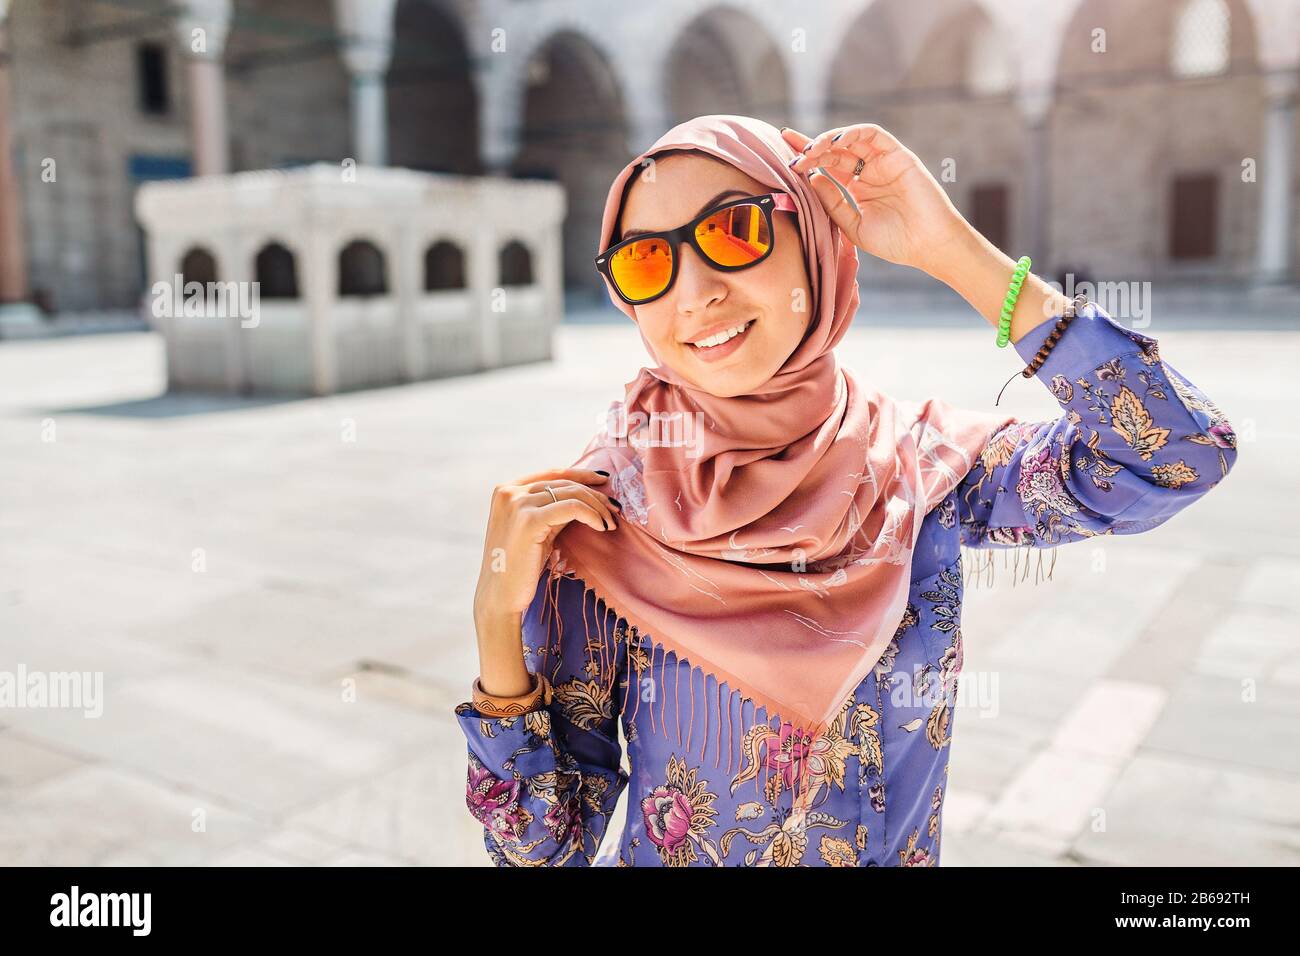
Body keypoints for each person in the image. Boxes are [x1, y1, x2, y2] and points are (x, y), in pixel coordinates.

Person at [455, 115, 1239, 867]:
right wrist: (497, 627)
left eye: (734, 231)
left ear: (817, 241)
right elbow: (543, 849)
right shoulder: (604, 519)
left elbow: (1175, 455)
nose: (692, 293)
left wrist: (951, 251)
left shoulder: (921, 472)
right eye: (645, 262)